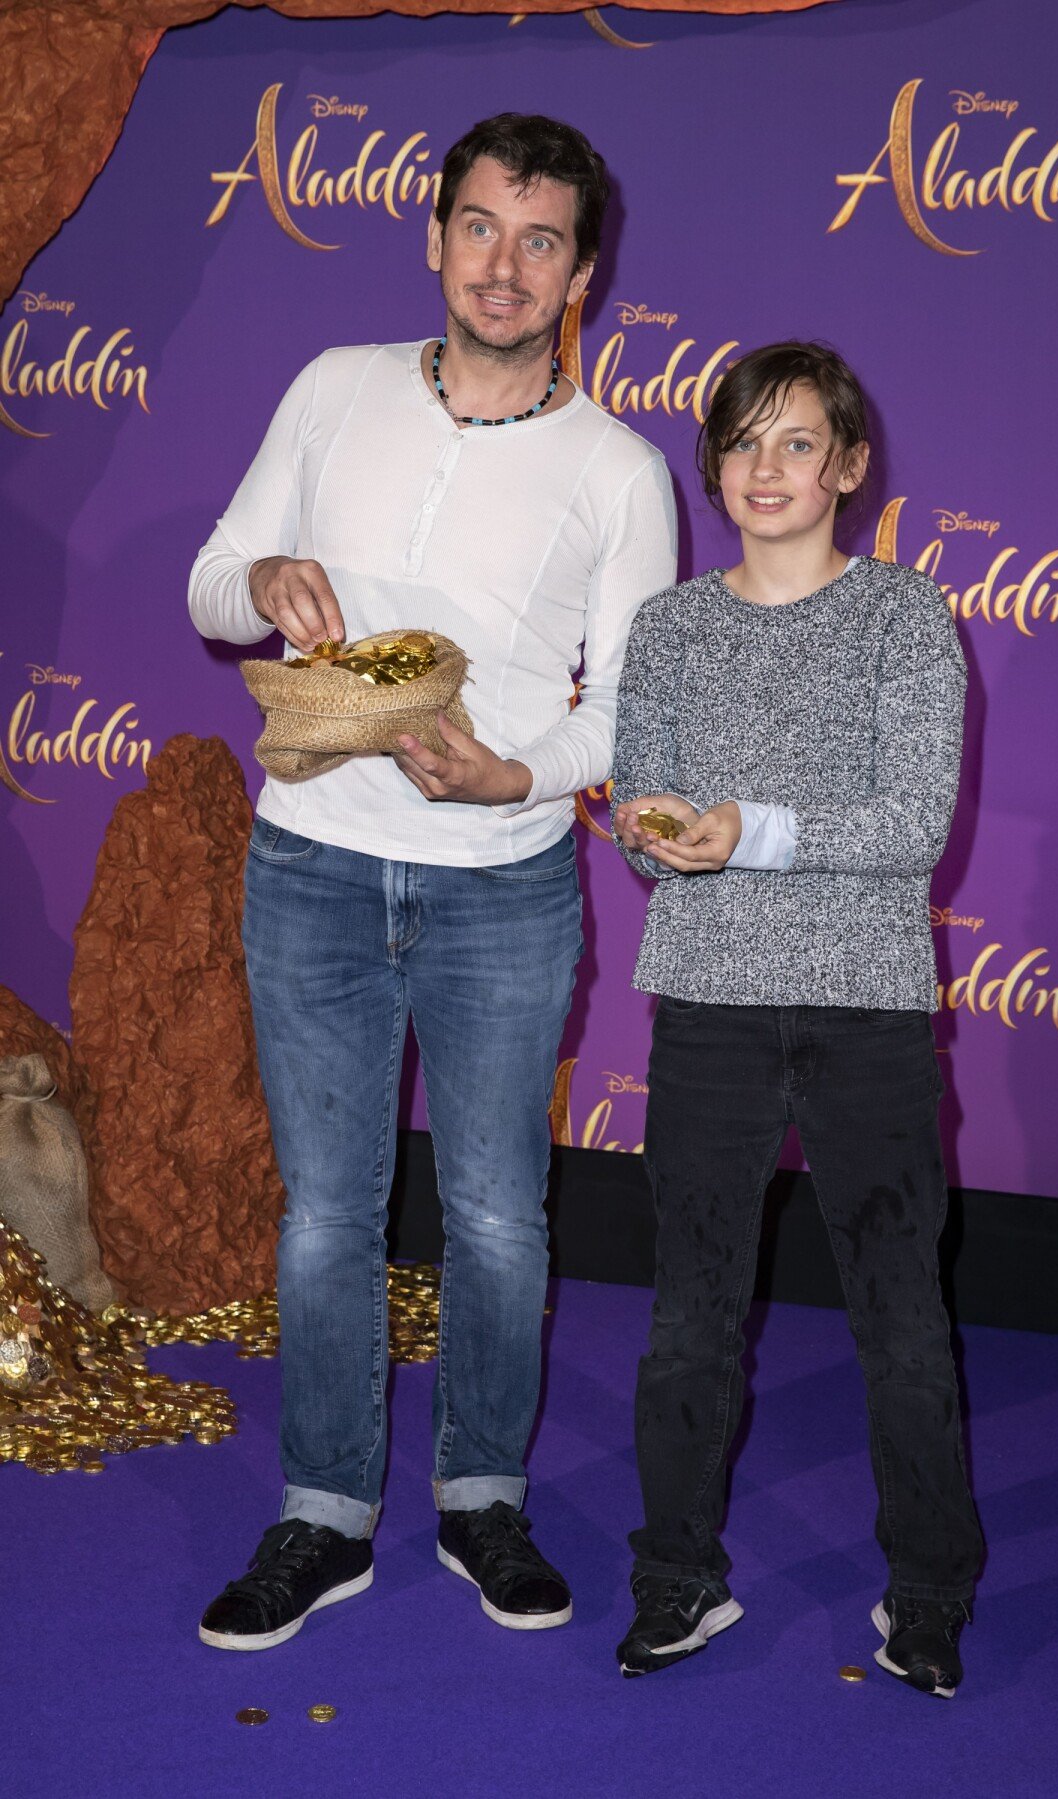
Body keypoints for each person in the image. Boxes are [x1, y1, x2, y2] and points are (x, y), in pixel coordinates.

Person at [187, 113, 676, 1651]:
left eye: (542, 240)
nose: (505, 263)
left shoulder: (621, 467)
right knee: (328, 1216)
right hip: (314, 866)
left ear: (582, 271)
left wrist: (518, 776)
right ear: (434, 238)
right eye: (480, 226)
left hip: (504, 888)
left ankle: (482, 1500)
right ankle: (322, 1517)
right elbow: (213, 581)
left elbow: (632, 711)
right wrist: (259, 580)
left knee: (499, 1219)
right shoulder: (334, 389)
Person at [609, 340, 982, 1696]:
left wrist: (745, 831)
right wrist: (665, 837)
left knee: (900, 1317)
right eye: (745, 443)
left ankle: (930, 1595)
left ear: (850, 464)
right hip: (705, 1006)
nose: (768, 469)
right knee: (688, 1316)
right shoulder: (668, 628)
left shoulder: (906, 617)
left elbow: (913, 827)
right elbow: (645, 823)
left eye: (798, 442)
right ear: (714, 465)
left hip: (866, 1005)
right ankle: (674, 1580)